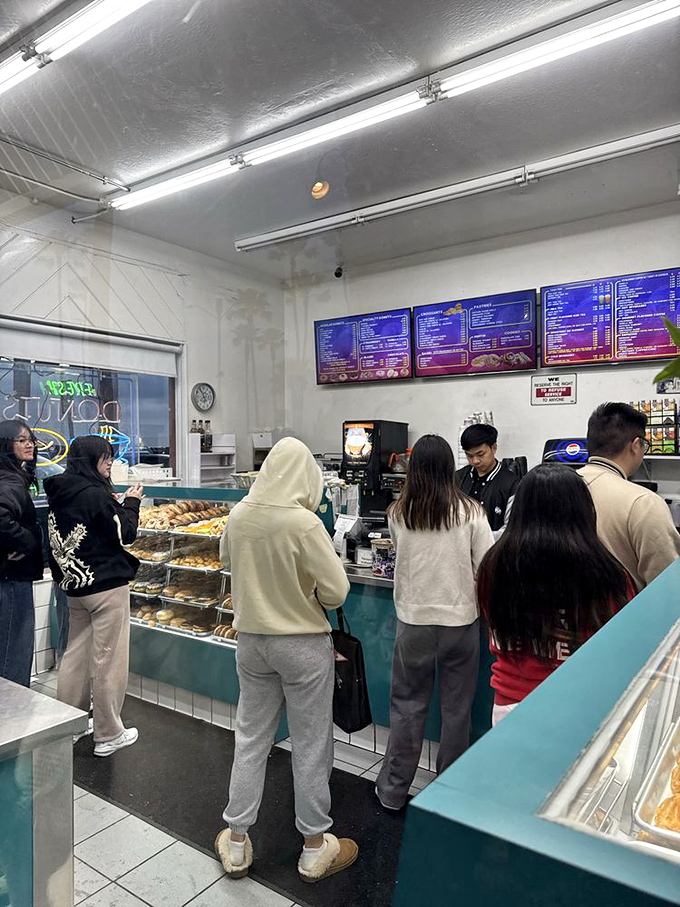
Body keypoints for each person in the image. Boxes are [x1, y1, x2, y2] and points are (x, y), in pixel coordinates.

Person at [214, 437, 358, 883]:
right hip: (301, 646)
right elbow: (336, 592)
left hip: (252, 641)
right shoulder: (305, 523)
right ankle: (315, 846)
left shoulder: (240, 514)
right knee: (311, 743)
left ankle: (236, 840)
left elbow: (224, 561)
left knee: (251, 738)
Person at [375, 435, 494, 811]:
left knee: (407, 706)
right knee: (457, 710)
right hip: (461, 624)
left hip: (414, 624)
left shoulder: (398, 513)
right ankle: (449, 793)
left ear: (414, 469)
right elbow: (486, 566)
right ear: (448, 467)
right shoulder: (471, 511)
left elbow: (399, 552)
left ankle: (394, 790)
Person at [478, 463, 636, 725]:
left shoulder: (493, 566)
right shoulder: (607, 576)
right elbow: (619, 649)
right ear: (584, 511)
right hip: (581, 708)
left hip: (509, 708)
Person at [44, 436, 144, 755]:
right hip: (106, 587)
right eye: (104, 458)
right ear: (89, 461)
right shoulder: (93, 494)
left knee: (75, 654)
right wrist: (131, 503)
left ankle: (70, 724)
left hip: (75, 587)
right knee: (108, 659)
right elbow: (125, 534)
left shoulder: (61, 492)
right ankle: (108, 733)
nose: (109, 463)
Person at [579, 402, 680, 589]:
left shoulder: (550, 489)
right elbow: (668, 585)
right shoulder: (643, 502)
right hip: (624, 615)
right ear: (635, 446)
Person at [0, 420, 43, 686]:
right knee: (14, 650)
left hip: (7, 576)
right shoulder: (10, 480)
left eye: (31, 439)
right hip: (13, 580)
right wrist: (27, 541)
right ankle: (12, 718)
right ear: (6, 445)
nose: (30, 444)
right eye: (22, 440)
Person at [456, 424, 520, 539]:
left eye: (480, 454)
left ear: (494, 448)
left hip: (495, 552)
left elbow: (511, 530)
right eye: (469, 456)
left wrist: (477, 541)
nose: (475, 461)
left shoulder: (512, 484)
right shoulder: (458, 478)